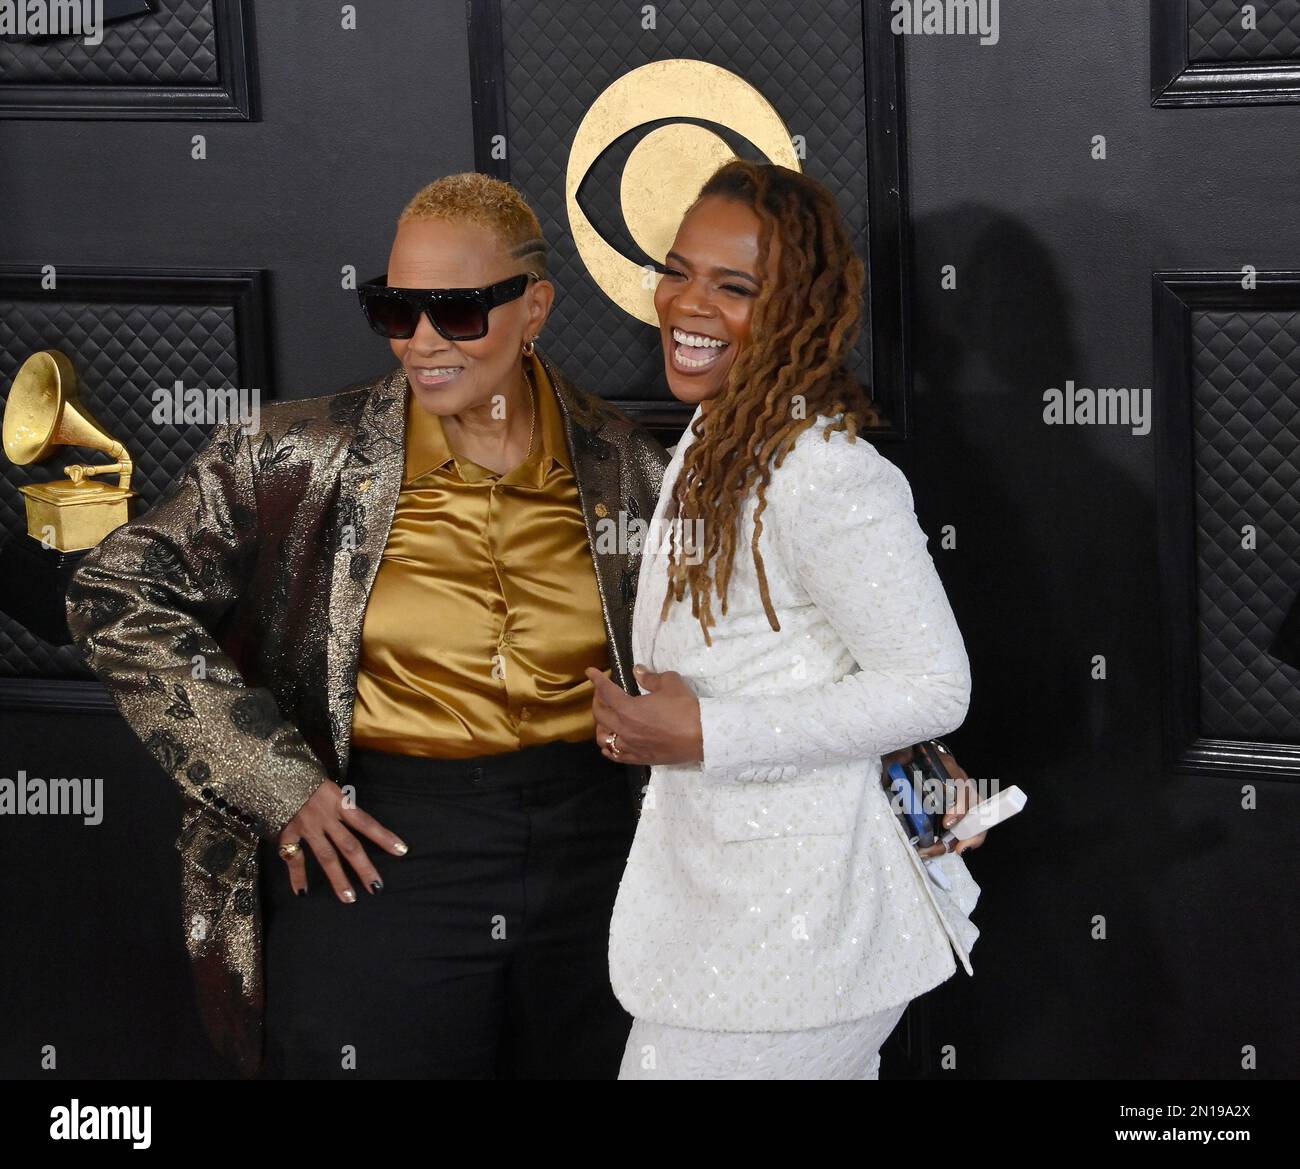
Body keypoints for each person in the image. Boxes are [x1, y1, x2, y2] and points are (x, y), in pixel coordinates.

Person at [64, 172, 669, 1078]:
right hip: (382, 843)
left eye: (458, 312)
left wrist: (900, 760)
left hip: (601, 848)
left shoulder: (634, 469)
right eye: (394, 308)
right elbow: (115, 593)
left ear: (534, 306)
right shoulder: (294, 454)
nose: (421, 342)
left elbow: (748, 646)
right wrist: (272, 775)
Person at [585, 159, 987, 1080]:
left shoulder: (824, 471)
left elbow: (934, 686)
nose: (688, 303)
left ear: (796, 311)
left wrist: (707, 726)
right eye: (679, 269)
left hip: (800, 929)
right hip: (726, 909)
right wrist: (681, 699)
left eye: (734, 287)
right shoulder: (717, 431)